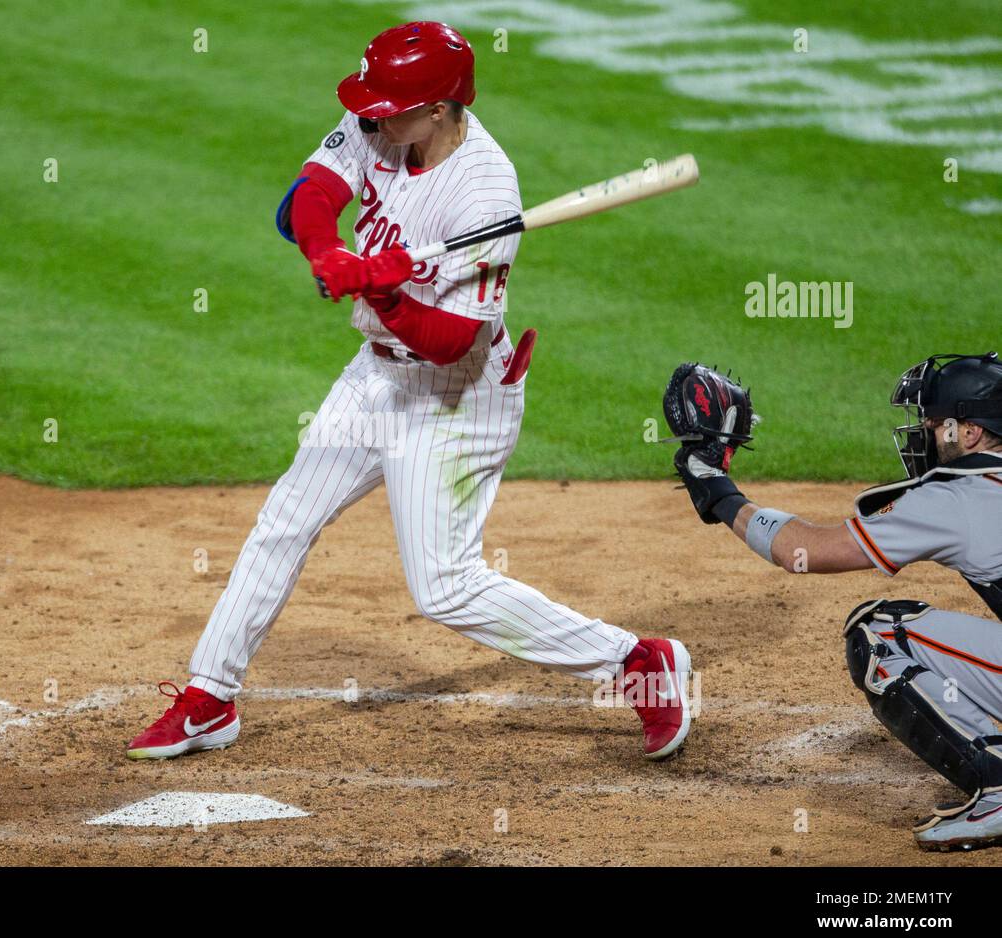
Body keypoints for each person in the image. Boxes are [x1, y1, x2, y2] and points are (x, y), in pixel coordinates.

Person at [124, 22, 692, 763]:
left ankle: (635, 662)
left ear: (440, 108)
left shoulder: (487, 194)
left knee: (446, 589)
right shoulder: (380, 120)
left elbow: (454, 340)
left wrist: (390, 295)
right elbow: (307, 196)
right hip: (377, 377)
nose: (374, 117)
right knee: (284, 520)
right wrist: (334, 253)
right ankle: (210, 697)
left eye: (393, 107)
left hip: (456, 396)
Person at [670, 355, 1002, 850]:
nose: (925, 435)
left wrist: (718, 490)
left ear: (969, 433)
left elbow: (804, 551)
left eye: (934, 424)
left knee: (880, 634)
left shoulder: (959, 498)